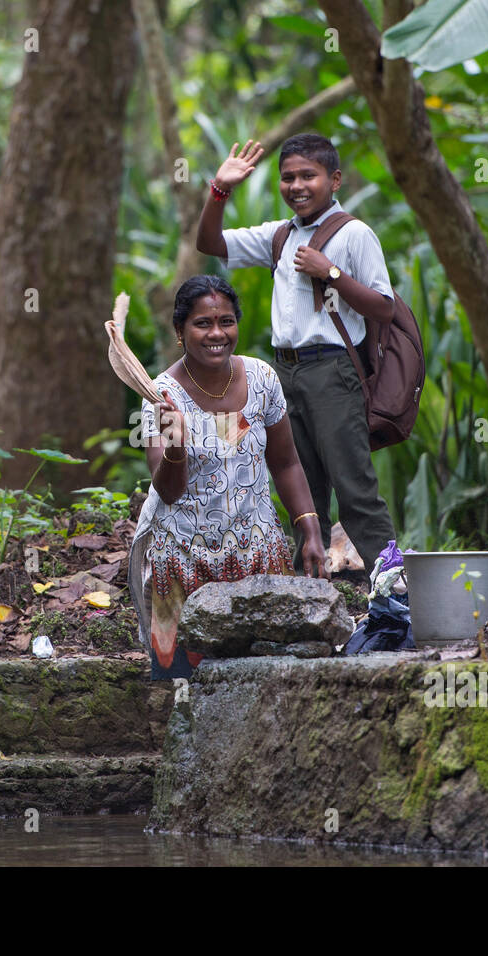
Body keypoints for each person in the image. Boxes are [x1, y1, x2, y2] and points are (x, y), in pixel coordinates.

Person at [195, 133, 396, 574]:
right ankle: (313, 598)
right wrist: (220, 190)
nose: (297, 185)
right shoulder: (279, 235)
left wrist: (333, 273)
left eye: (309, 175)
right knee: (303, 493)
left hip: (332, 372)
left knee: (355, 490)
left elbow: (384, 306)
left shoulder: (355, 234)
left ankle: (398, 597)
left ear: (335, 179)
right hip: (285, 376)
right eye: (288, 178)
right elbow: (210, 244)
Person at [127, 275, 327, 680]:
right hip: (183, 564)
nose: (217, 333)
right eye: (203, 323)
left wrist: (309, 528)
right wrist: (177, 445)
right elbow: (166, 490)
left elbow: (286, 462)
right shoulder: (161, 396)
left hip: (256, 559)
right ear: (180, 332)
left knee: (264, 680)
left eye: (226, 321)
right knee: (184, 686)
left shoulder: (262, 379)